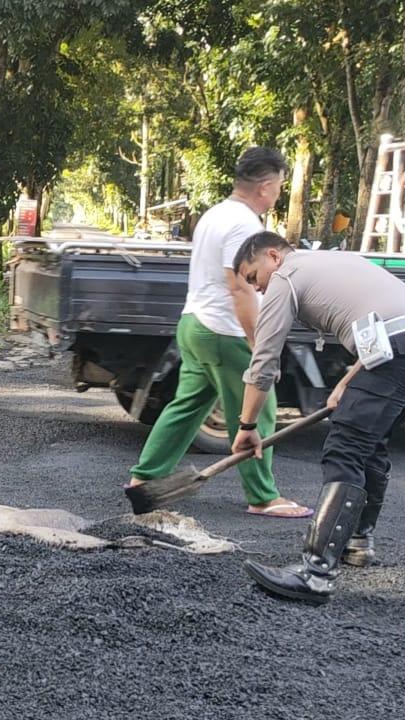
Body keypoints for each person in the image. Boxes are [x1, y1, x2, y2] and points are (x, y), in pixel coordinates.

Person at [233, 231, 405, 604]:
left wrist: (247, 426)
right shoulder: (338, 260)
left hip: (400, 351)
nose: (257, 289)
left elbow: (264, 362)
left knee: (344, 447)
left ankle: (315, 574)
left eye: (254, 277)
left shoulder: (286, 277)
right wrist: (346, 383)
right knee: (368, 443)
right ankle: (357, 542)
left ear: (273, 256)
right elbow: (380, 325)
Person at [125, 147, 311, 518]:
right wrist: (260, 343)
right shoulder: (245, 224)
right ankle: (262, 496)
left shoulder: (215, 214)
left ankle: (144, 479)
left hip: (194, 323)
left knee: (187, 406)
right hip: (225, 330)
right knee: (260, 408)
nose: (278, 195)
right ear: (267, 185)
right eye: (278, 187)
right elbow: (240, 286)